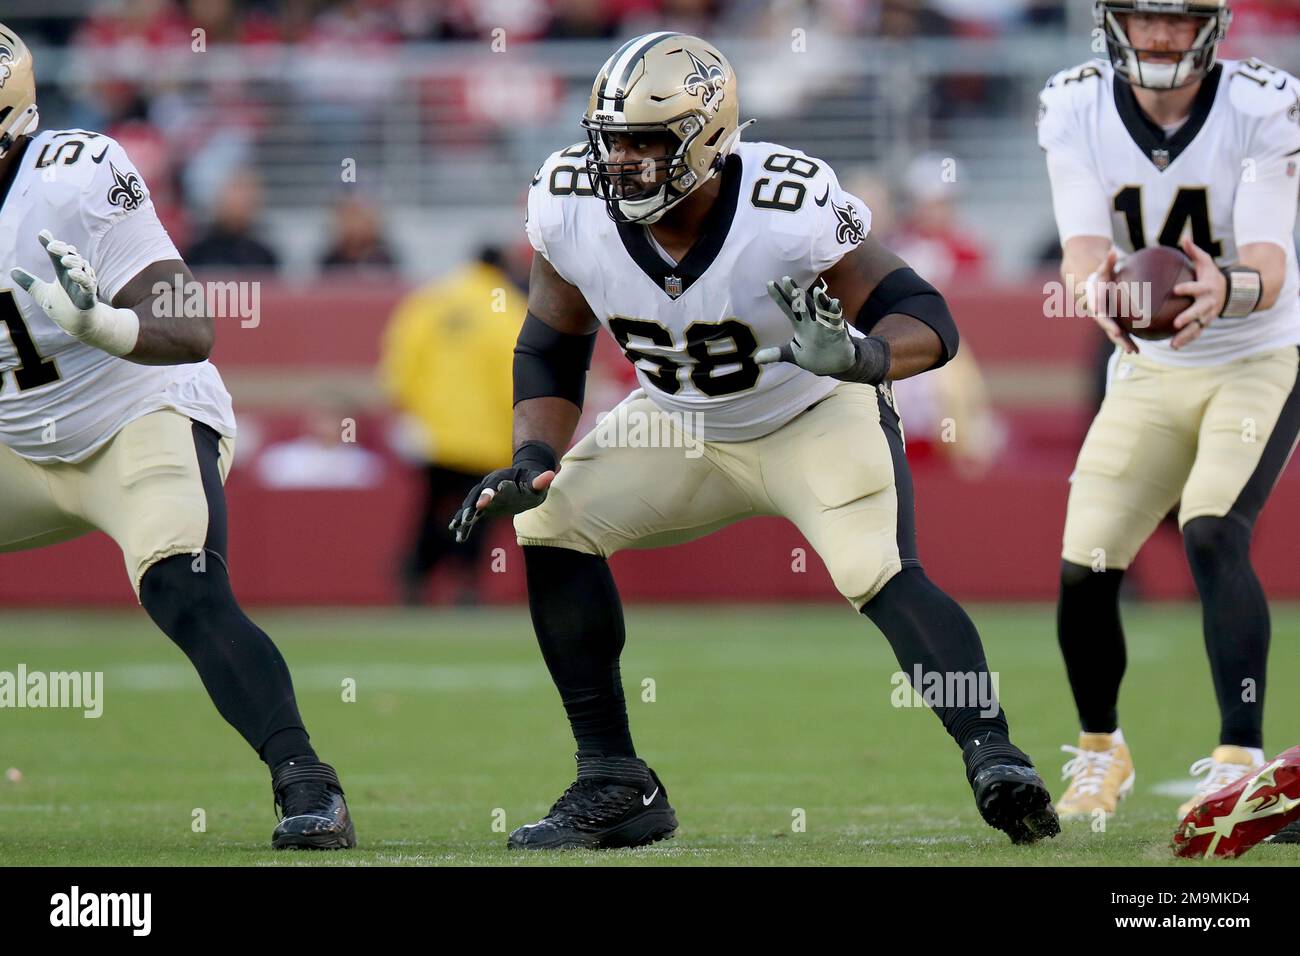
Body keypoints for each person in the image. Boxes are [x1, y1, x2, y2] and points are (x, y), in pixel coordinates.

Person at [452, 32, 1060, 850]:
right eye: (612, 140)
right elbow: (550, 344)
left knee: (873, 568)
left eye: (646, 142)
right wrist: (534, 459)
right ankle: (614, 780)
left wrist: (863, 355)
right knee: (552, 522)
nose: (622, 161)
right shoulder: (568, 201)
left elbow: (927, 316)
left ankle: (993, 753)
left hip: (813, 413)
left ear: (705, 138)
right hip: (678, 418)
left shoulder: (785, 203)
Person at [0, 24, 354, 849]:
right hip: (18, 440)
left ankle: (306, 781)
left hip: (136, 413)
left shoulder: (75, 176)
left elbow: (189, 324)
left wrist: (103, 323)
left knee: (184, 589)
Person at [1039, 1, 1300, 834]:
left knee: (1213, 529)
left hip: (1259, 356)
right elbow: (1082, 246)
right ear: (1112, 23)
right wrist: (1097, 291)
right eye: (1143, 20)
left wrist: (1226, 288)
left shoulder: (1263, 101)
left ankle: (1242, 760)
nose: (1158, 38)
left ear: (1211, 28)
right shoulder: (1072, 101)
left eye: (1177, 22)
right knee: (1086, 558)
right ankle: (1098, 745)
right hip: (1152, 366)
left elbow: (1269, 262)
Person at [380, 246, 519, 605]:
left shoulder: (428, 301)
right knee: (479, 512)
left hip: (435, 434)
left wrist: (413, 410)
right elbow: (516, 376)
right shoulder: (509, 309)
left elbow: (401, 364)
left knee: (431, 508)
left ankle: (414, 574)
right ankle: (467, 583)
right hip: (486, 438)